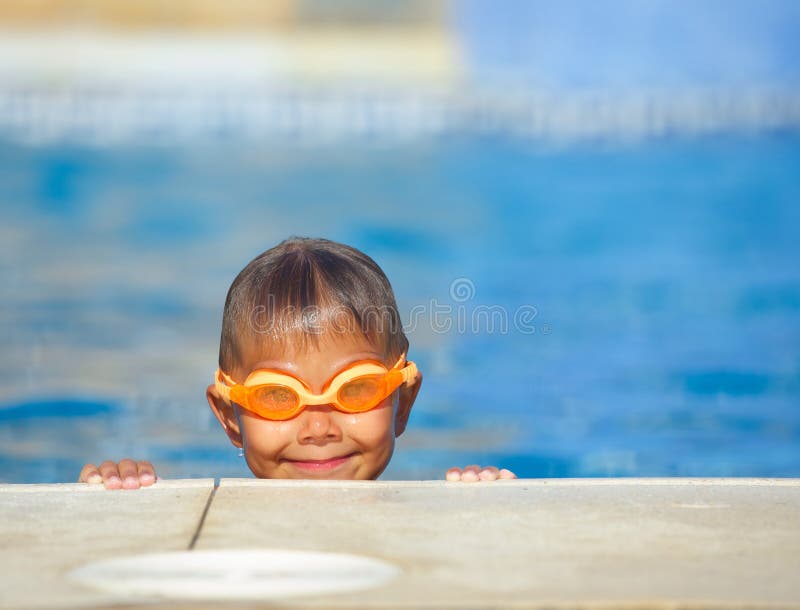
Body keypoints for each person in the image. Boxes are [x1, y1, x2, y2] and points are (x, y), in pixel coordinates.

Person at [79, 237, 517, 489]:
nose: (319, 428)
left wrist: (488, 518)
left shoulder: (428, 528)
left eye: (356, 389)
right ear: (229, 416)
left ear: (402, 403)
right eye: (277, 396)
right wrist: (112, 503)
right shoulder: (213, 535)